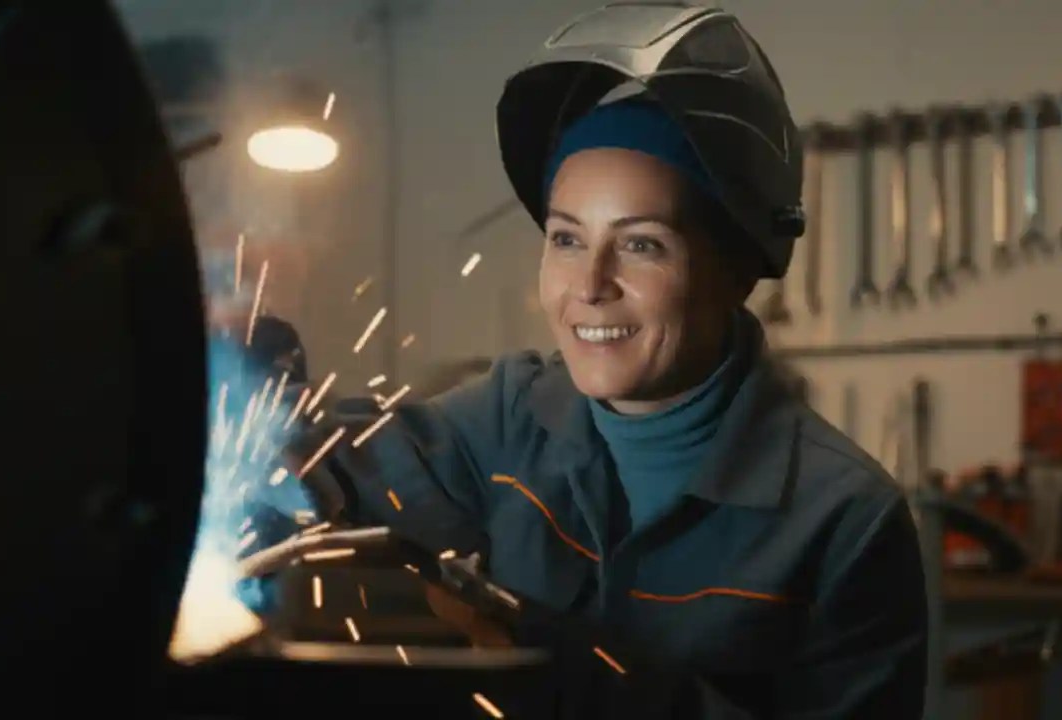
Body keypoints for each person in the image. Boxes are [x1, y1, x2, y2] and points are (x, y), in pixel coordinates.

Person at [274, 4, 927, 717]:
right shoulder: (510, 417)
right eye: (566, 239)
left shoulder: (844, 519)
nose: (588, 287)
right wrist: (240, 402)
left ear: (736, 269)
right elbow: (322, 468)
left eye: (641, 243)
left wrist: (595, 686)